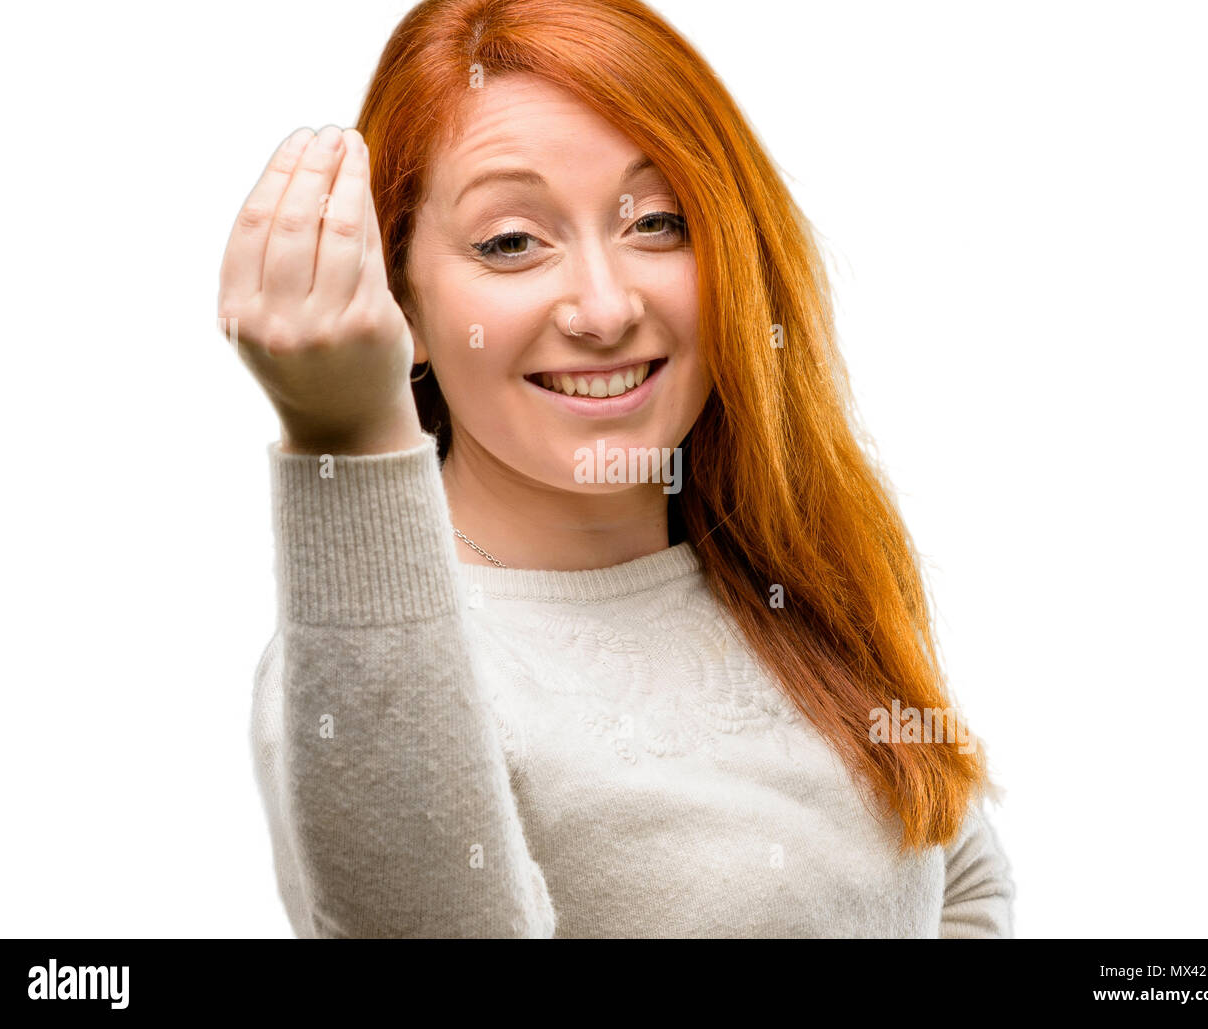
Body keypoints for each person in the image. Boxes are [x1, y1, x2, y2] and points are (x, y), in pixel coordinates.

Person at [218, 0, 1015, 938]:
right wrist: (344, 437)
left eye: (659, 223)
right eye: (511, 241)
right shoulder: (370, 660)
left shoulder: (784, 578)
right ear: (404, 305)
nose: (602, 307)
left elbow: (961, 882)